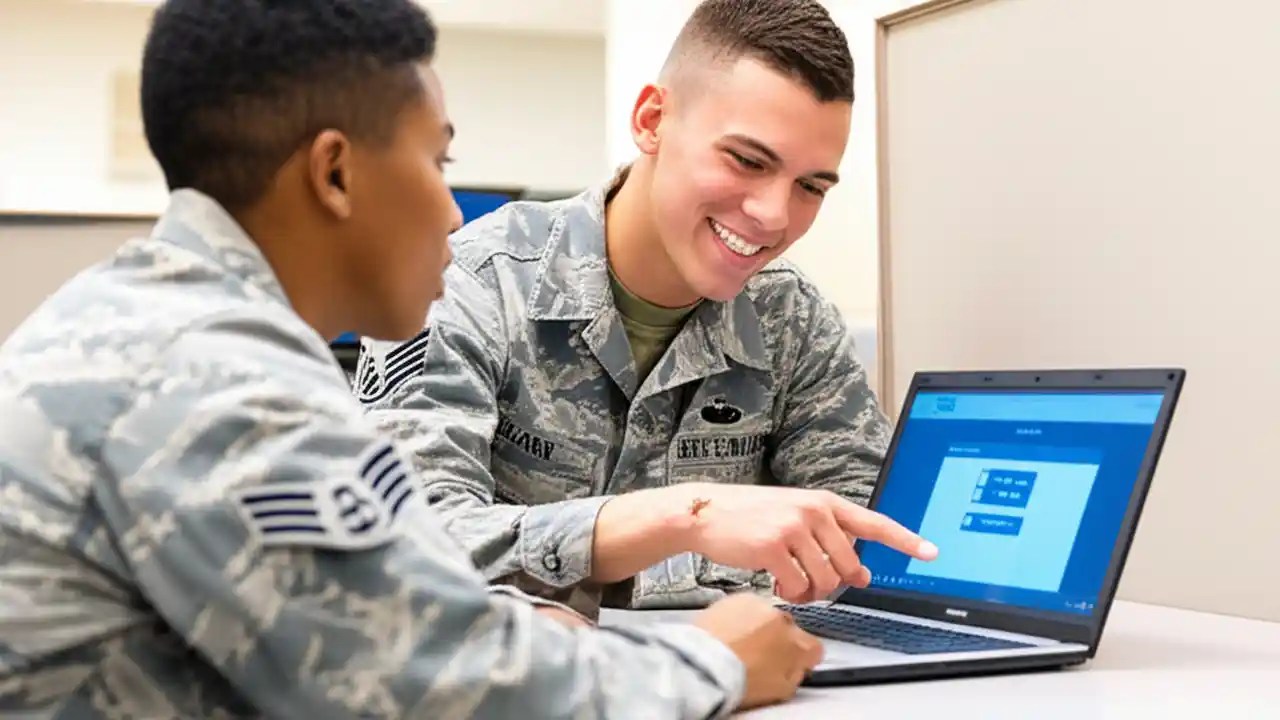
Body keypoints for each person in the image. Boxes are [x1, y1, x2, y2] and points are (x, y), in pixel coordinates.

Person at [0, 1, 829, 716]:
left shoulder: (158, 320)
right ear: (335, 173)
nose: (450, 211)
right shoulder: (214, 381)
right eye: (439, 164)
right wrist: (715, 658)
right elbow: (435, 688)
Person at [355, 0, 938, 618]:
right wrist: (691, 522)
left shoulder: (791, 319)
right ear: (652, 119)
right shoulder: (464, 284)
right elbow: (405, 541)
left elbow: (864, 546)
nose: (774, 215)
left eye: (810, 186)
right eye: (747, 160)